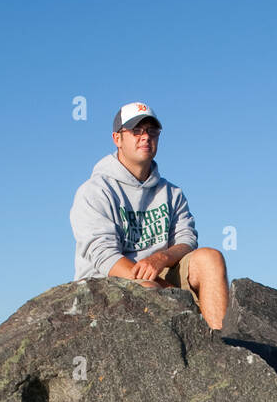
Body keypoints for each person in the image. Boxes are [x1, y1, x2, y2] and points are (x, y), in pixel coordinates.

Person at [69, 102, 228, 330]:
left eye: (152, 131)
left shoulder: (172, 193)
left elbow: (187, 240)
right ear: (117, 139)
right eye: (136, 130)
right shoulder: (94, 191)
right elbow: (104, 256)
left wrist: (161, 258)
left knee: (210, 258)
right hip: (109, 282)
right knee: (149, 291)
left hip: (159, 274)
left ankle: (222, 349)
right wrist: (165, 288)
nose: (145, 137)